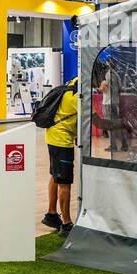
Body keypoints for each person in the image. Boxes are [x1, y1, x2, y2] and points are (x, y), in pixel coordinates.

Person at [41, 76, 79, 235]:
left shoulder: (70, 85)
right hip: (61, 140)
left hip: (53, 135)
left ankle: (51, 214)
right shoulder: (78, 97)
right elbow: (96, 121)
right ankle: (66, 223)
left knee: (55, 175)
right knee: (64, 182)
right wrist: (120, 125)